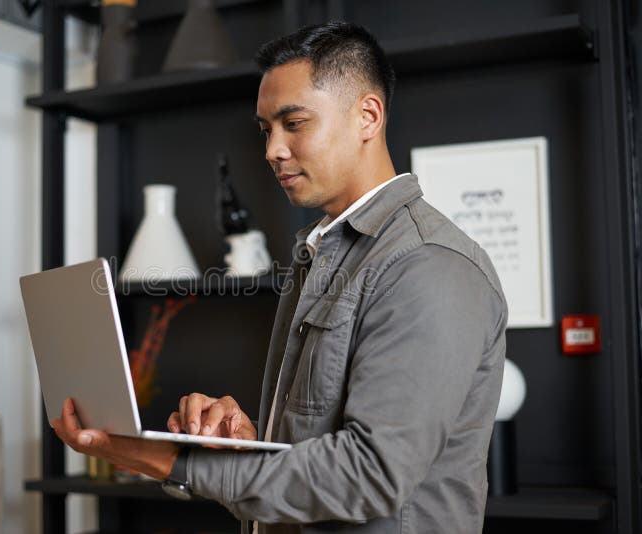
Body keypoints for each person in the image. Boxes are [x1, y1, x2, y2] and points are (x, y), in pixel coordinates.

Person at [52, 21, 508, 534]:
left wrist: (167, 460)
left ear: (368, 116)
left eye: (294, 123)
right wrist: (248, 439)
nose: (272, 149)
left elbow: (371, 474)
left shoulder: (429, 266)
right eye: (267, 129)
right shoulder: (322, 253)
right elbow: (315, 456)